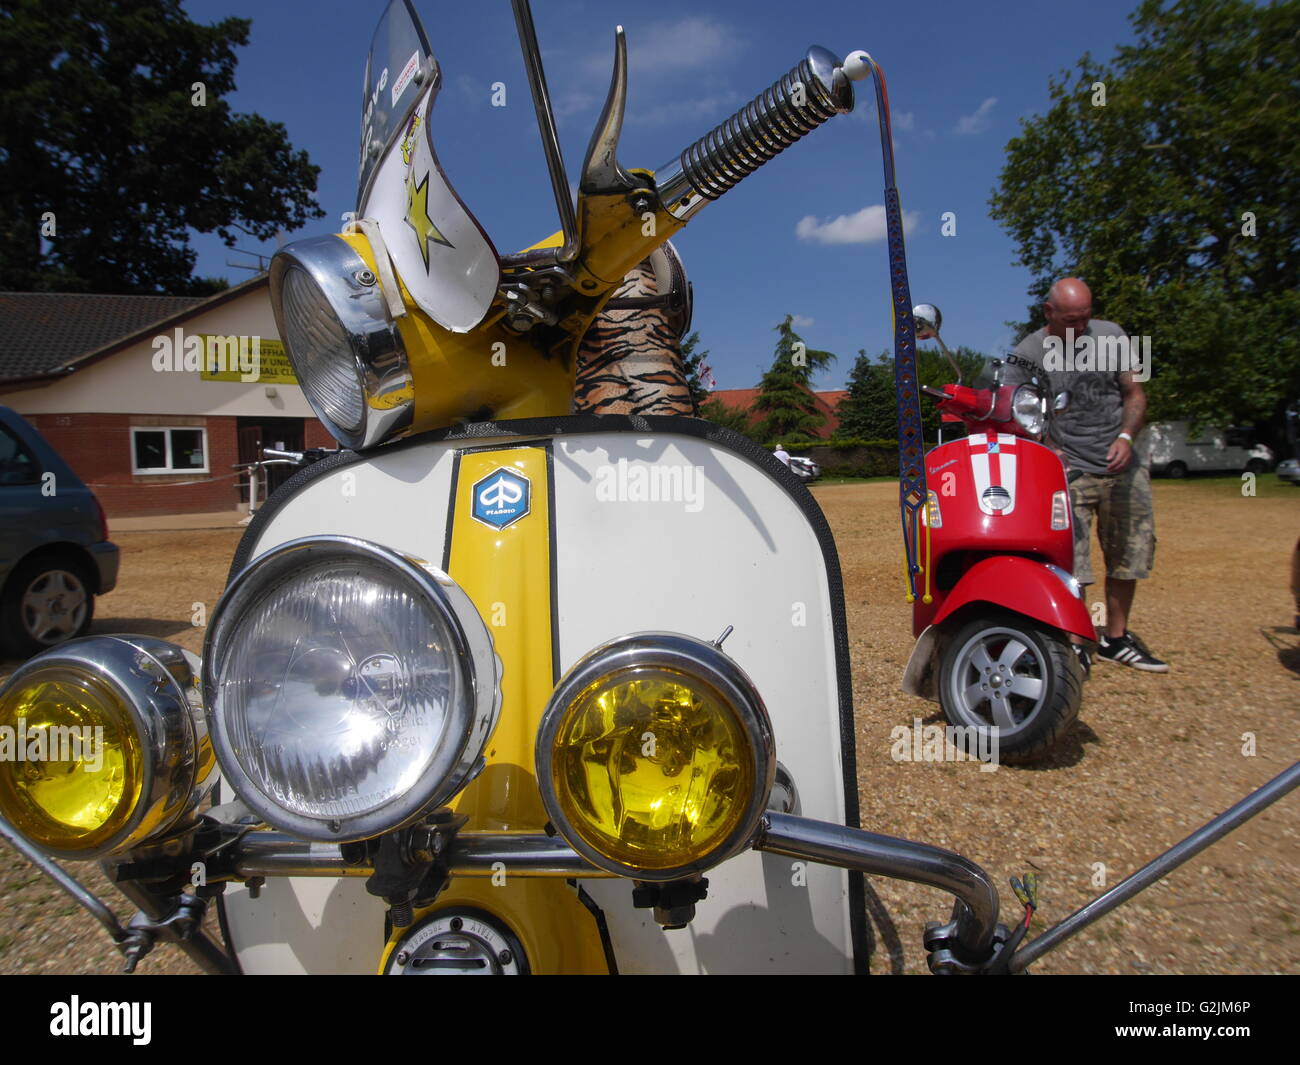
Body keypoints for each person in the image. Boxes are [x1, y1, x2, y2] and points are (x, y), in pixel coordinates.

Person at [1013, 277, 1169, 672]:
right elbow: (1015, 411)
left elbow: (1136, 393)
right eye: (1071, 321)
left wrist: (1126, 436)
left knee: (1129, 555)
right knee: (1072, 566)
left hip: (1123, 466)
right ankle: (1078, 642)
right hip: (1069, 473)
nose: (1081, 328)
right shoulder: (1028, 352)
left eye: (1086, 318)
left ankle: (1116, 639)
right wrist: (1047, 449)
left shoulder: (1113, 335)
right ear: (1049, 313)